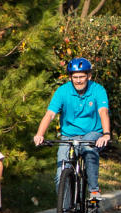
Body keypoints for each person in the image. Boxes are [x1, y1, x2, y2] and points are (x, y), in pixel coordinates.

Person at [33, 57, 111, 200]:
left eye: (82, 76)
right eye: (75, 77)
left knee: (88, 147)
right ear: (70, 77)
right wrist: (40, 134)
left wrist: (105, 134)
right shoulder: (62, 91)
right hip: (68, 136)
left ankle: (94, 189)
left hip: (92, 133)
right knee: (60, 176)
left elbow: (103, 112)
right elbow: (50, 114)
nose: (79, 80)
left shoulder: (98, 90)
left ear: (89, 76)